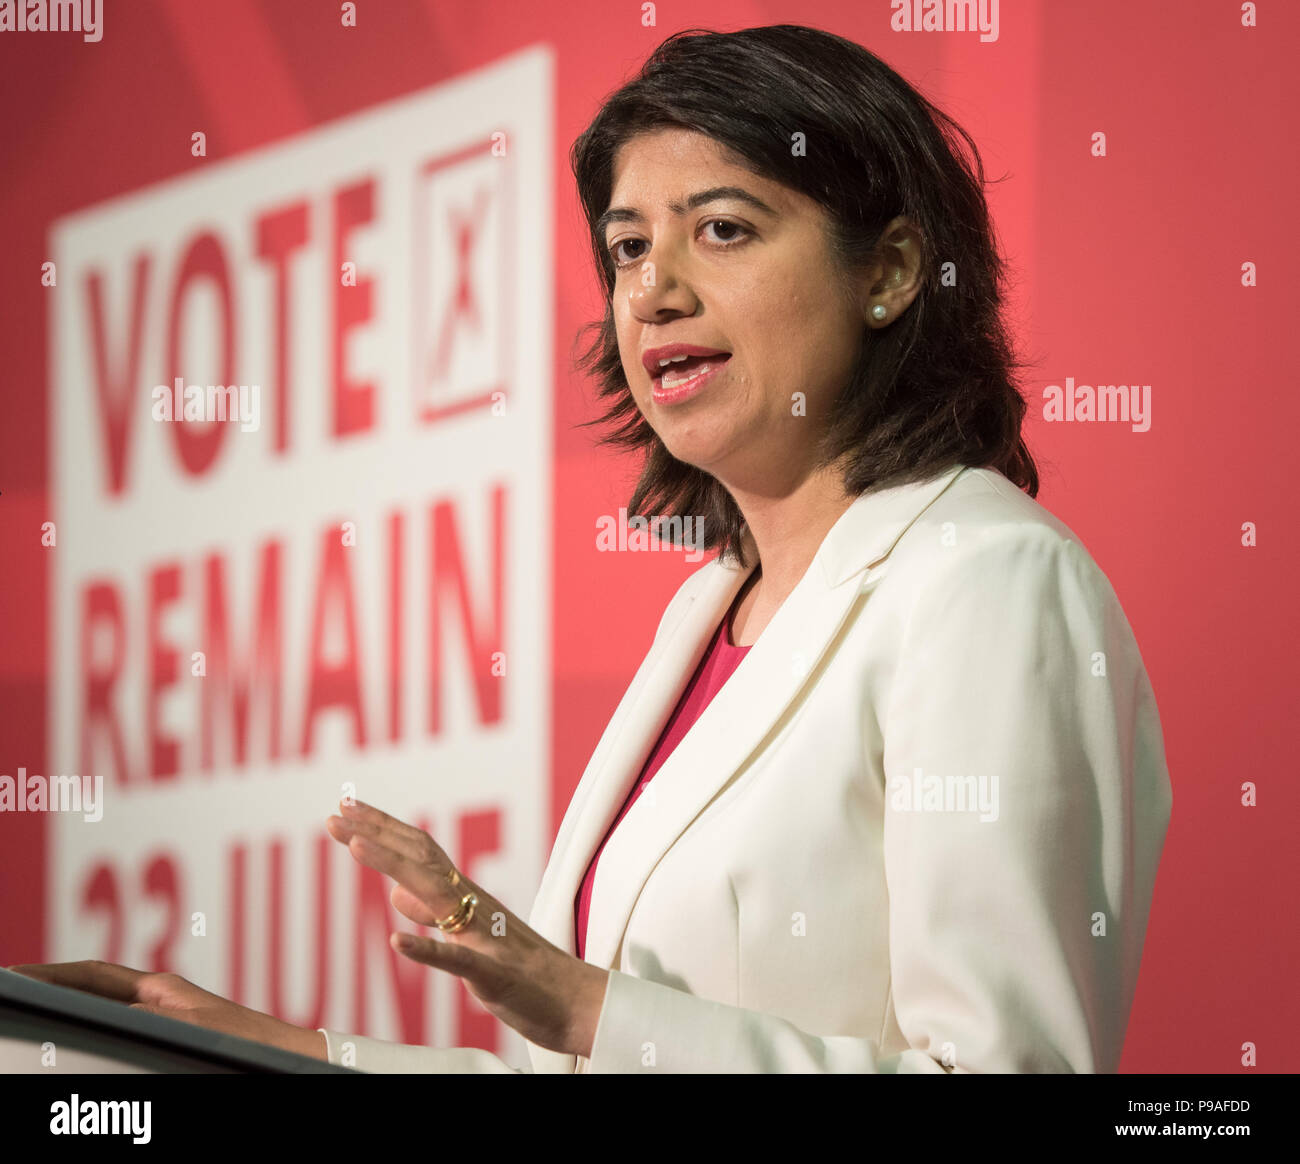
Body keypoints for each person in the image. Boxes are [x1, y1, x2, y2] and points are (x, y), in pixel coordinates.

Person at [10, 24, 1171, 1073]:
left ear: (891, 271)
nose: (653, 289)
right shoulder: (707, 610)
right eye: (625, 248)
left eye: (722, 230)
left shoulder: (989, 581)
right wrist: (261, 1047)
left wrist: (593, 1013)